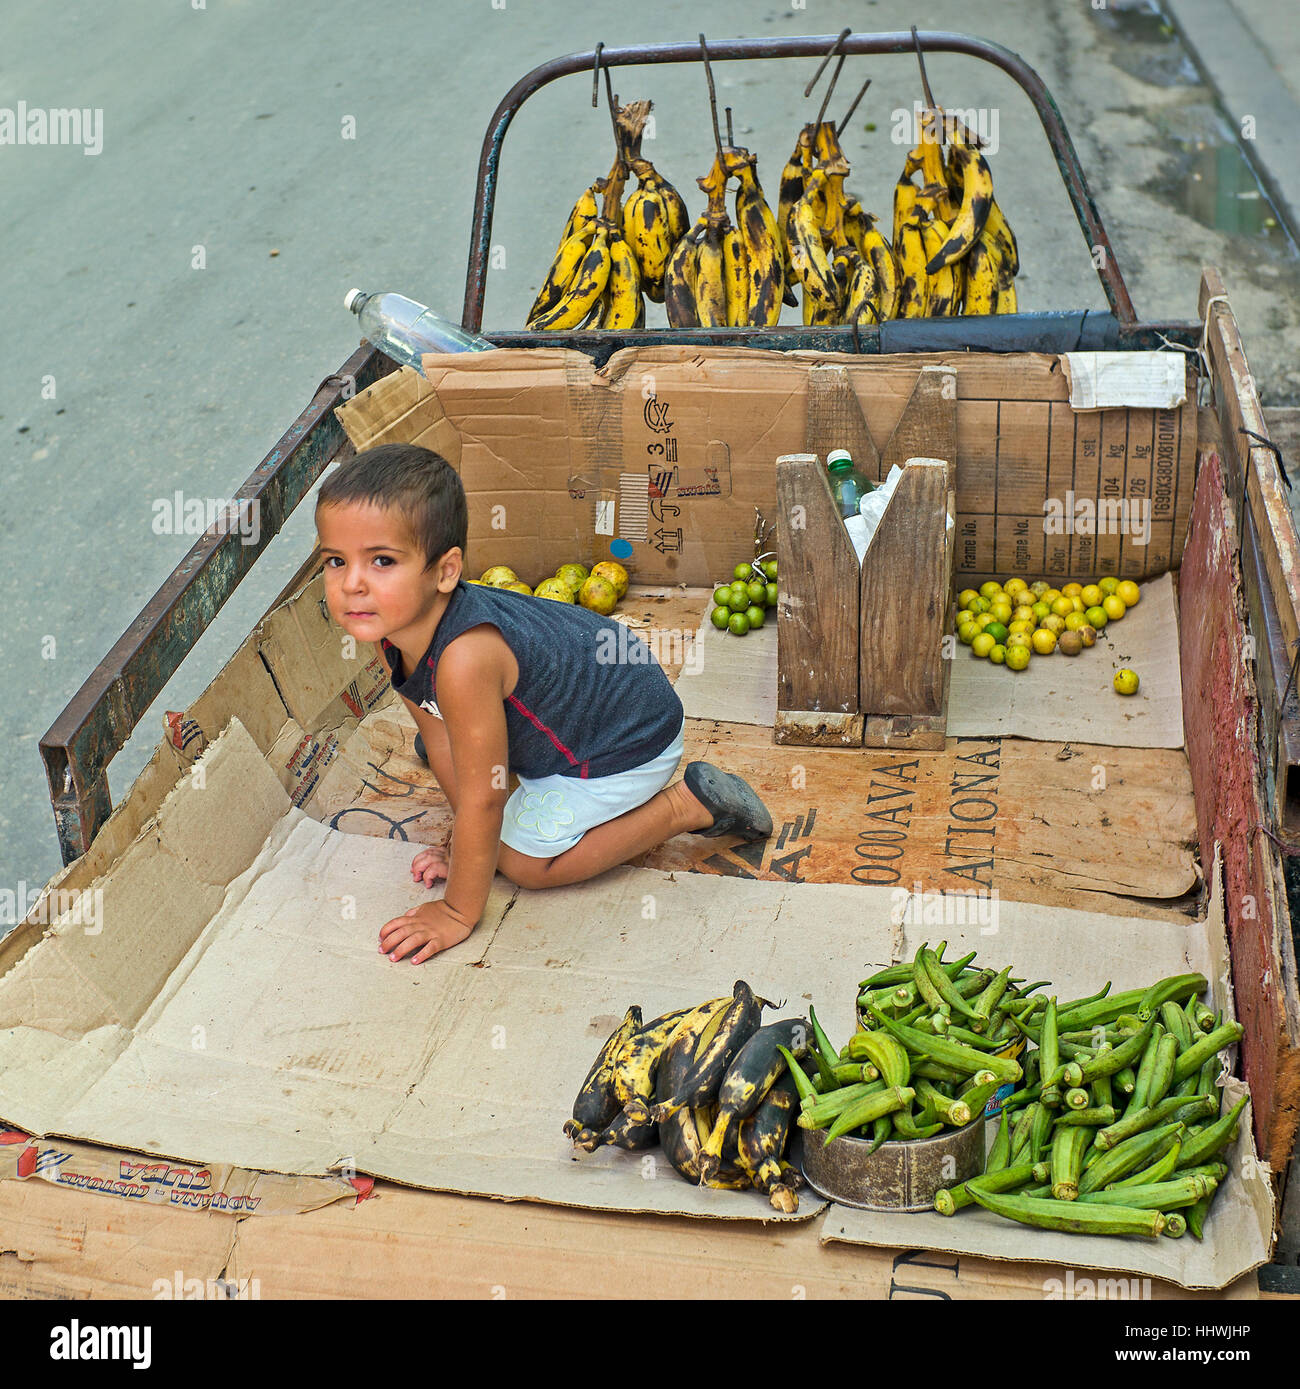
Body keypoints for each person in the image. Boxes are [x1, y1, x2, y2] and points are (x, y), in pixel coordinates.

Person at [314, 443, 773, 963]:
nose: (352, 584)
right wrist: (465, 846)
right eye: (335, 561)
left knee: (524, 865)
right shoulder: (391, 630)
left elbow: (485, 797)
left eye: (381, 561)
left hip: (622, 744)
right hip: (585, 706)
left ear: (445, 572)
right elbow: (441, 738)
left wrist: (459, 906)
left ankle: (688, 805)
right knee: (455, 757)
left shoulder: (465, 660)